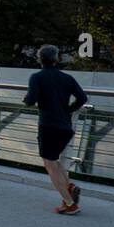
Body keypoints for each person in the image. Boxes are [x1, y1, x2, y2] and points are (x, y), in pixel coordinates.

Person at [23, 44, 88, 214]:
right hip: (65, 126)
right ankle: (69, 186)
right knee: (54, 160)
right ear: (57, 59)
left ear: (39, 59)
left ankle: (69, 204)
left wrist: (26, 98)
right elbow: (82, 98)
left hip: (48, 125)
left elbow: (30, 100)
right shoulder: (67, 78)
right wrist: (68, 109)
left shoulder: (36, 77)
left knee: (49, 163)